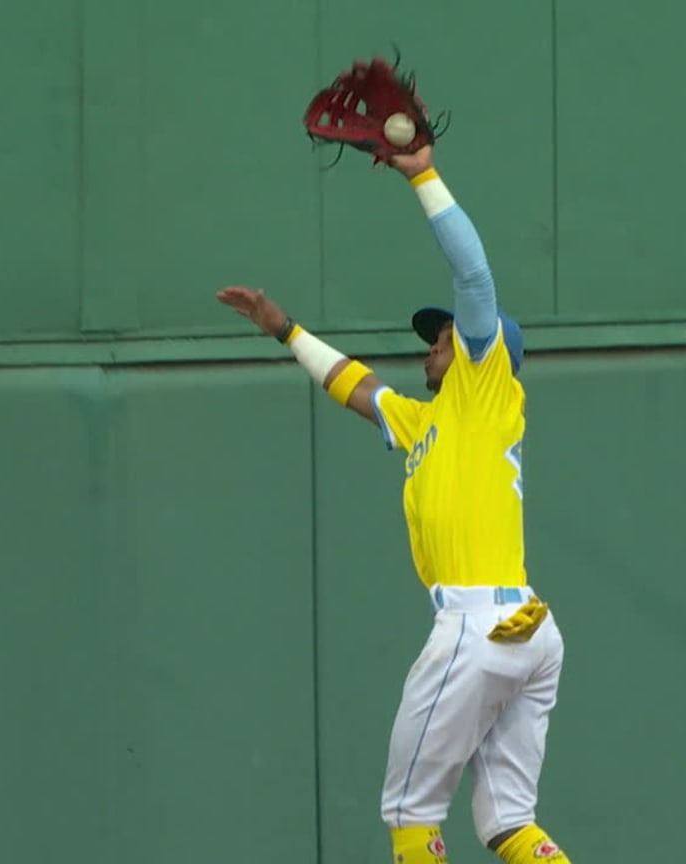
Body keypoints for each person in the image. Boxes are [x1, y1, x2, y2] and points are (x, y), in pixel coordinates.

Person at [216, 145, 571, 864]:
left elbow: (473, 274)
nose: (432, 350)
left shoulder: (485, 383)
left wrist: (421, 174)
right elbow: (358, 387)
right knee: (507, 821)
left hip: (477, 626)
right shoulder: (428, 421)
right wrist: (286, 331)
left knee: (409, 812)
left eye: (440, 339)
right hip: (527, 631)